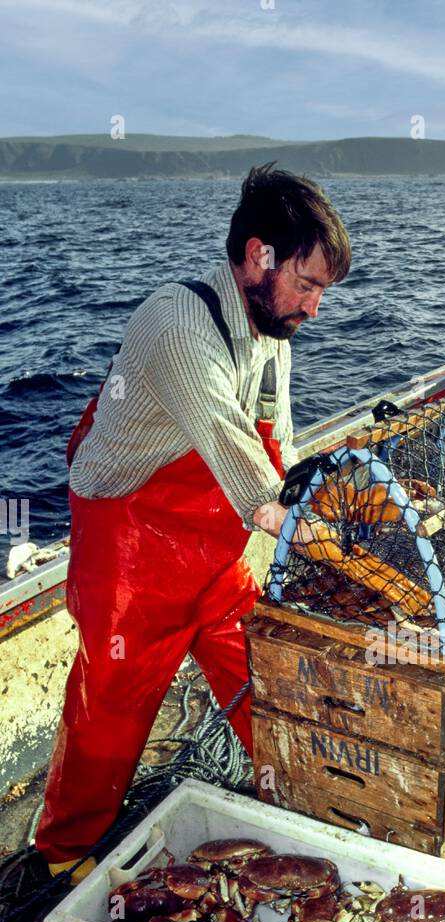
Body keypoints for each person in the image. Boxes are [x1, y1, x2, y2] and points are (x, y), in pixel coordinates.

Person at [35, 165, 351, 881]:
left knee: (261, 678)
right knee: (109, 711)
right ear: (255, 256)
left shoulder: (273, 334)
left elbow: (281, 446)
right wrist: (322, 537)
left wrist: (309, 500)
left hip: (211, 549)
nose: (315, 306)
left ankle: (306, 801)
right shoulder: (179, 323)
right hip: (131, 546)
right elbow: (240, 460)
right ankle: (62, 853)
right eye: (306, 284)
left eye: (323, 291)